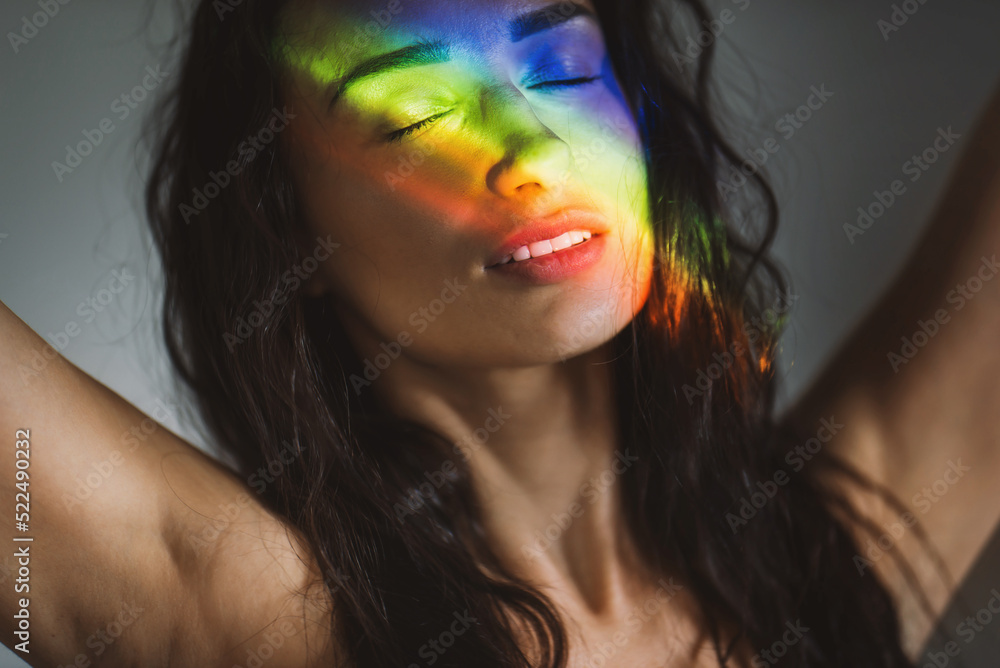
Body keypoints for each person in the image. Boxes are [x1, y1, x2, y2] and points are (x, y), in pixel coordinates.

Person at [1, 0, 998, 665]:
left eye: (562, 70)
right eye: (414, 117)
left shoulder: (827, 557)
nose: (531, 147)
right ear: (282, 222)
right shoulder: (271, 625)